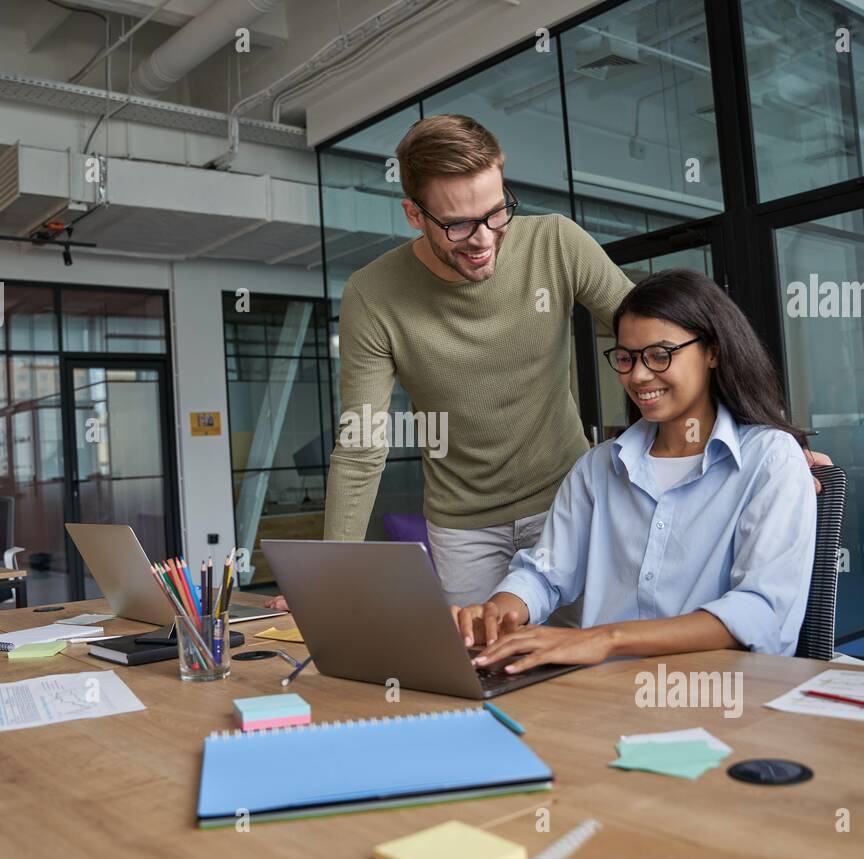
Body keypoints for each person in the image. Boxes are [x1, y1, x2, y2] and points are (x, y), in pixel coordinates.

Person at [268, 114, 829, 612]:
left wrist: (770, 437)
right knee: (487, 671)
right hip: (463, 526)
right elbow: (363, 443)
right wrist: (328, 574)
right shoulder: (374, 294)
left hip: (570, 498)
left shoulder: (555, 243)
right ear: (414, 214)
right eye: (458, 225)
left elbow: (663, 343)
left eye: (496, 213)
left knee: (580, 667)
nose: (484, 239)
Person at [453, 270, 817, 669]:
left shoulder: (770, 459)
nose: (638, 375)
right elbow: (545, 575)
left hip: (717, 693)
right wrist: (499, 610)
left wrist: (607, 639)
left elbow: (760, 612)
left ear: (712, 351)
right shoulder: (598, 467)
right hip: (602, 692)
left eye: (660, 355)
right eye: (626, 358)